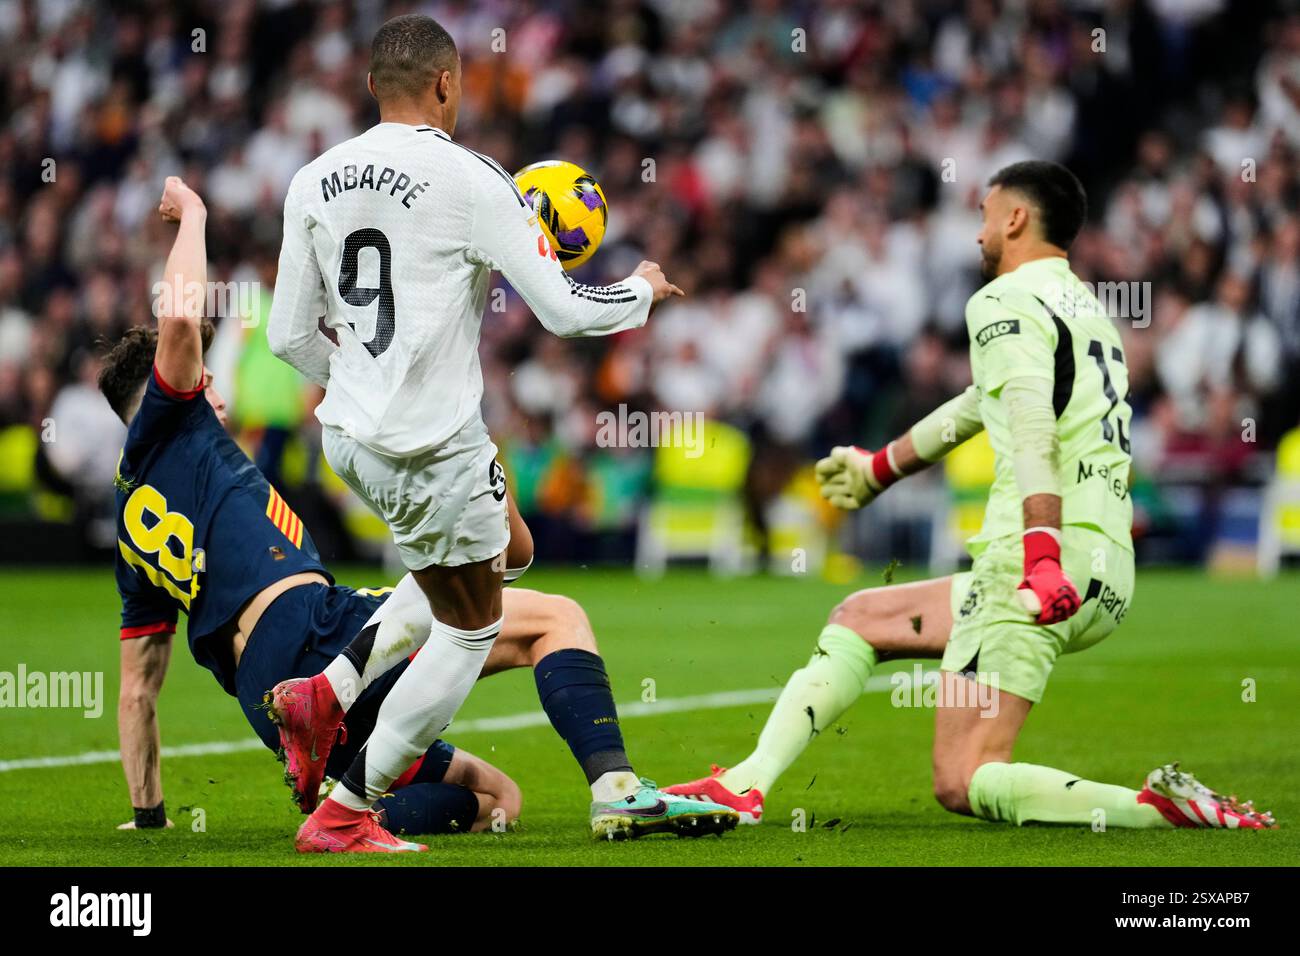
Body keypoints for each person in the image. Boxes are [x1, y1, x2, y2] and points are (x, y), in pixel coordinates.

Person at [109, 177, 735, 847]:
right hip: (310, 628)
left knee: (498, 797)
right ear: (163, 393)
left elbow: (138, 687)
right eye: (201, 379)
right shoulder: (177, 426)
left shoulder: (129, 522)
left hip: (261, 696)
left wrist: (149, 814)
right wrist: (195, 214)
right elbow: (178, 317)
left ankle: (351, 806)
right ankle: (616, 792)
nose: (215, 393)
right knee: (557, 617)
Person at [665, 161, 1275, 832]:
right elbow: (978, 403)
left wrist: (1040, 556)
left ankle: (1156, 811)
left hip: (1037, 564)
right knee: (862, 615)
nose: (978, 230)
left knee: (963, 778)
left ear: (1015, 219)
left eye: (986, 213)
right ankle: (747, 784)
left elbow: (1032, 425)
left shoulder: (1002, 299)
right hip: (1104, 564)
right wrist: (881, 467)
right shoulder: (1086, 310)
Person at [266, 11, 685, 853]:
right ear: (448, 83)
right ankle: (349, 813)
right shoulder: (471, 178)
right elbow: (565, 311)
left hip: (350, 440)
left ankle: (332, 688)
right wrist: (638, 288)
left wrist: (357, 379)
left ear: (370, 86)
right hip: (432, 446)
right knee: (472, 627)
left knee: (499, 554)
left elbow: (285, 335)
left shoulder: (313, 178)